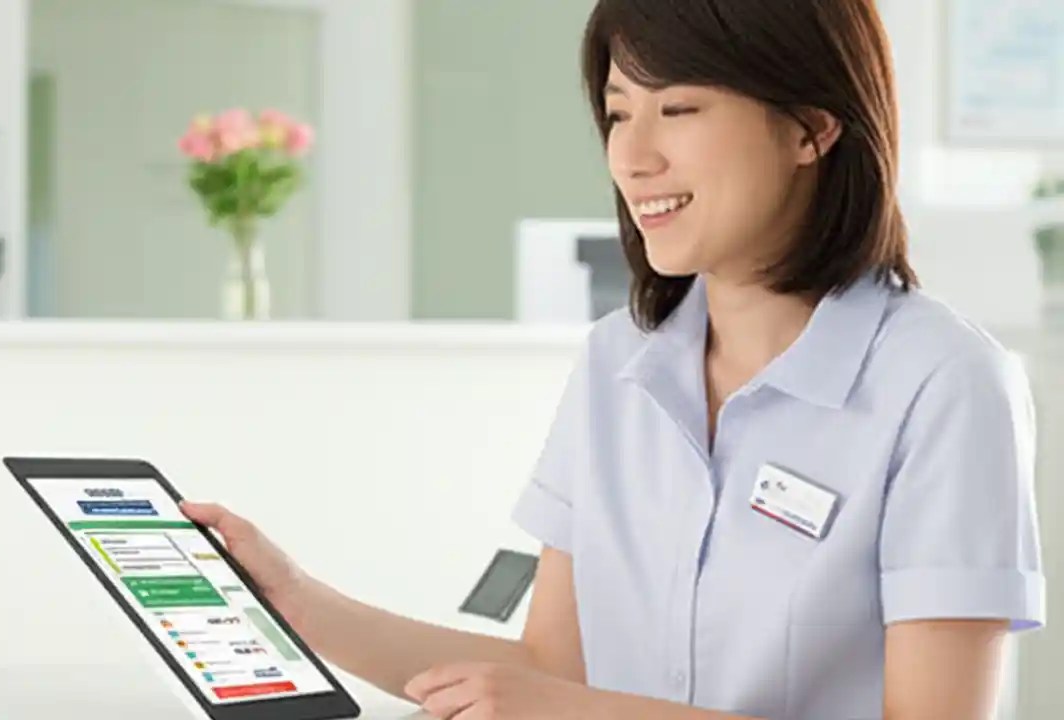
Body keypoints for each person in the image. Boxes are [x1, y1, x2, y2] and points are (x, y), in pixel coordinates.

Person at [181, 0, 1046, 717]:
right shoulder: (616, 362)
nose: (633, 159)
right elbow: (549, 673)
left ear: (811, 130)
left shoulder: (943, 382)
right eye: (619, 112)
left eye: (677, 110)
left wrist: (574, 714)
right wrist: (294, 602)